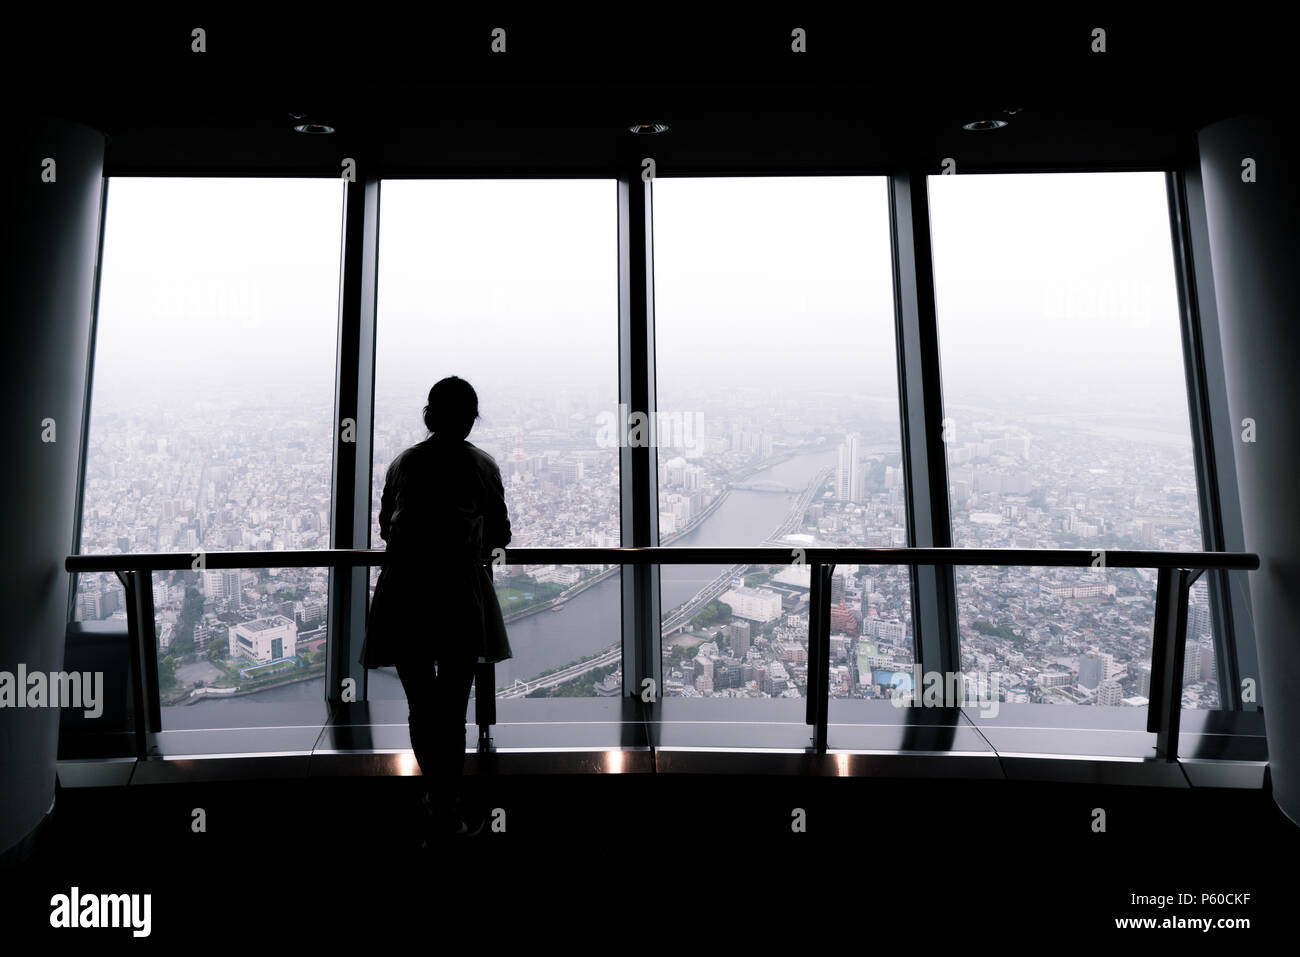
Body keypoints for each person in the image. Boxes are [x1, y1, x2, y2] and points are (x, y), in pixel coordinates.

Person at [360, 376, 512, 842]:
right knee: (452, 706)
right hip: (460, 596)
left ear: (429, 416)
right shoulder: (481, 466)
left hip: (405, 592)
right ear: (470, 419)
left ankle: (435, 799)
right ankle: (449, 802)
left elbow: (388, 526)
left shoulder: (404, 464)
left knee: (421, 705)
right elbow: (500, 534)